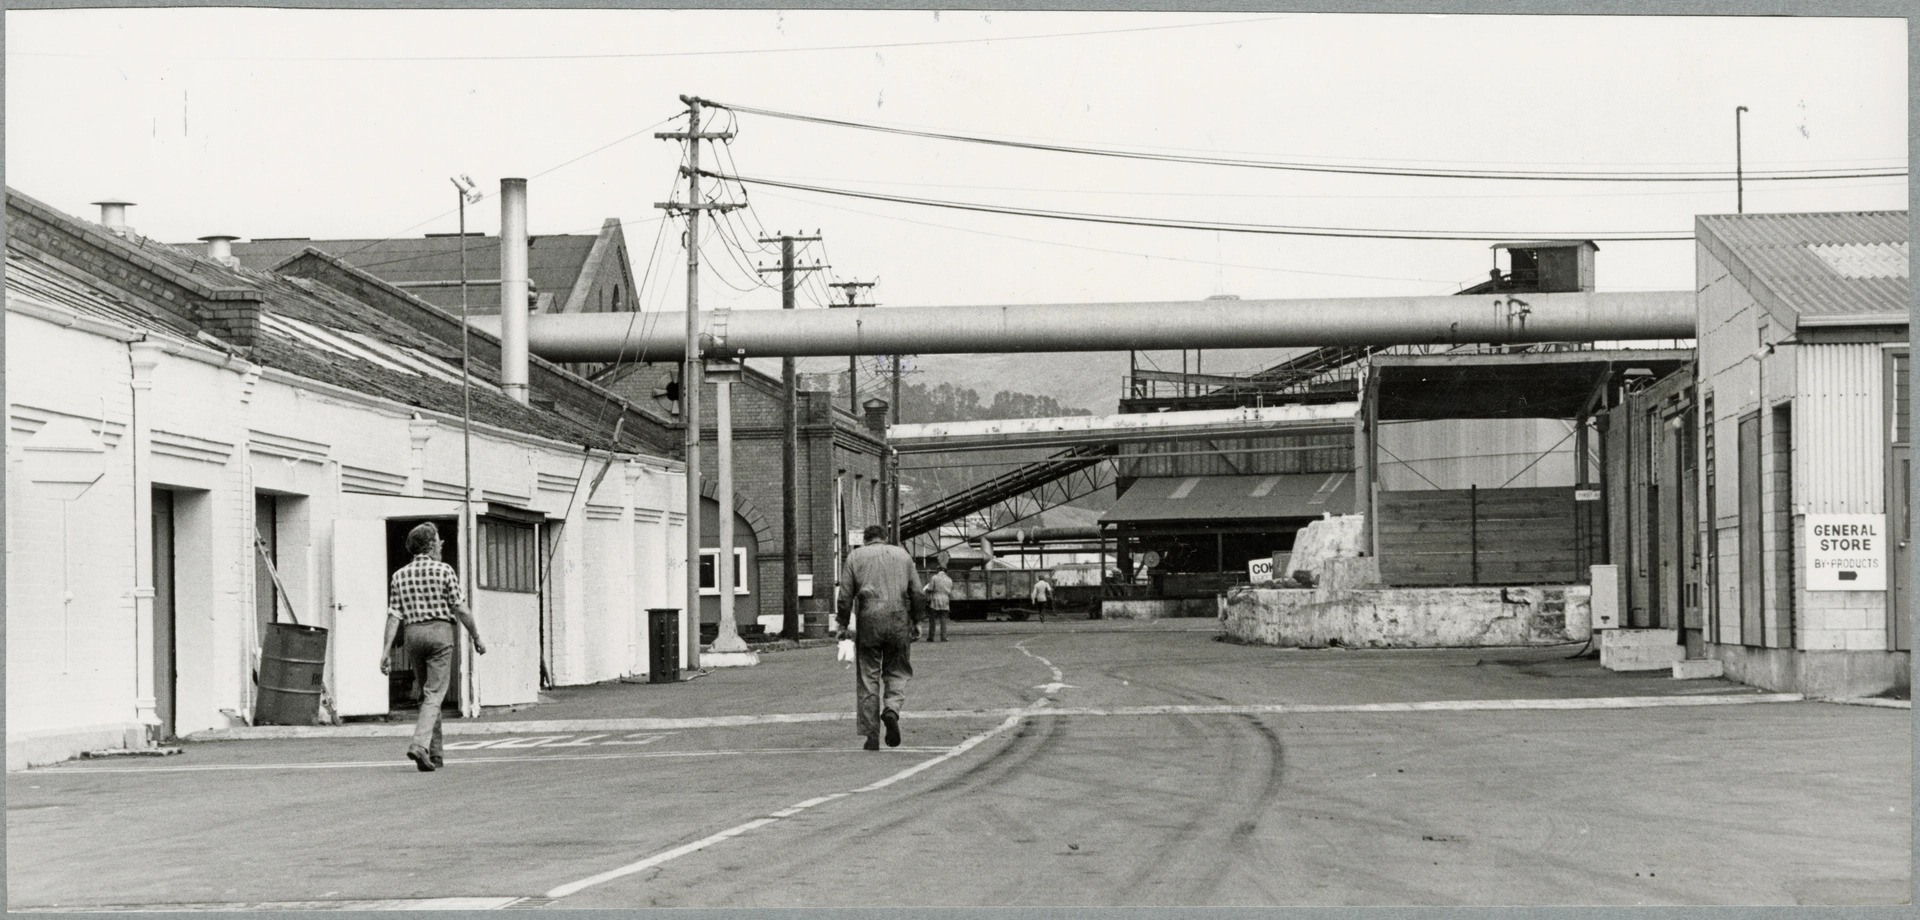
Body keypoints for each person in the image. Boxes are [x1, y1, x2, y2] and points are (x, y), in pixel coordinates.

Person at [380, 522, 486, 772]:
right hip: (439, 633)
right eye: (438, 540)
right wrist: (476, 636)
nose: (441, 544)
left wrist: (385, 652)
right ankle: (420, 745)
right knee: (435, 693)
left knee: (427, 694)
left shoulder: (399, 575)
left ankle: (436, 755)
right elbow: (460, 607)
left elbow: (394, 615)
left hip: (413, 634)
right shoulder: (444, 570)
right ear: (430, 545)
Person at [836, 524, 925, 751]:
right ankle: (892, 710)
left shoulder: (855, 557)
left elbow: (845, 595)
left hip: (869, 619)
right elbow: (917, 592)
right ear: (884, 538)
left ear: (865, 539)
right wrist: (916, 621)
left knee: (868, 677)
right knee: (897, 670)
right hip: (898, 619)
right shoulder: (902, 555)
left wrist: (843, 624)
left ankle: (872, 736)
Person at [923, 564, 954, 642]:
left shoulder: (934, 577)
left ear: (938, 570)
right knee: (943, 619)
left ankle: (931, 637)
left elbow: (930, 589)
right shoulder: (949, 579)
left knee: (932, 619)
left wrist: (927, 590)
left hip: (935, 599)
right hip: (945, 599)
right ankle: (944, 637)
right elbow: (950, 590)